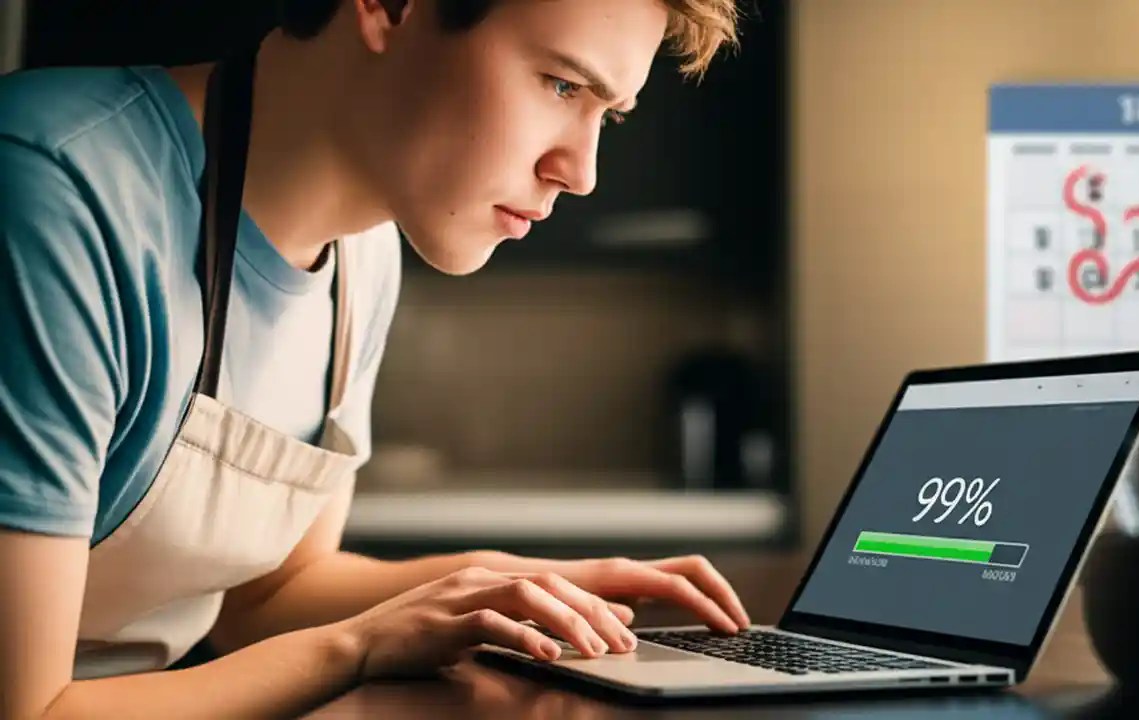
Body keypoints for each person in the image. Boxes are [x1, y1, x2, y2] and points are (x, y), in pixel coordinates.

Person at [0, 0, 747, 716]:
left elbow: (267, 599)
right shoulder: (55, 193)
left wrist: (508, 582)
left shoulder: (363, 256)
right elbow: (26, 708)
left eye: (608, 112)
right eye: (561, 83)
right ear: (386, 6)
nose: (580, 171)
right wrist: (357, 646)